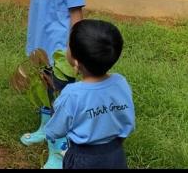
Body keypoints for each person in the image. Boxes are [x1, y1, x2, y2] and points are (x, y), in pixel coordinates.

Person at [21, 0, 86, 168]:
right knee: (42, 89)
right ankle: (45, 129)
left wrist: (73, 48)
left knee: (60, 96)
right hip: (39, 43)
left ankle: (59, 152)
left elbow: (76, 13)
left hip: (59, 46)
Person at [43, 19, 135, 169]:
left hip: (83, 159)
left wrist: (52, 119)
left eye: (68, 46)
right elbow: (128, 121)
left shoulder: (72, 94)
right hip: (115, 155)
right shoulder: (121, 83)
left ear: (77, 63)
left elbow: (55, 130)